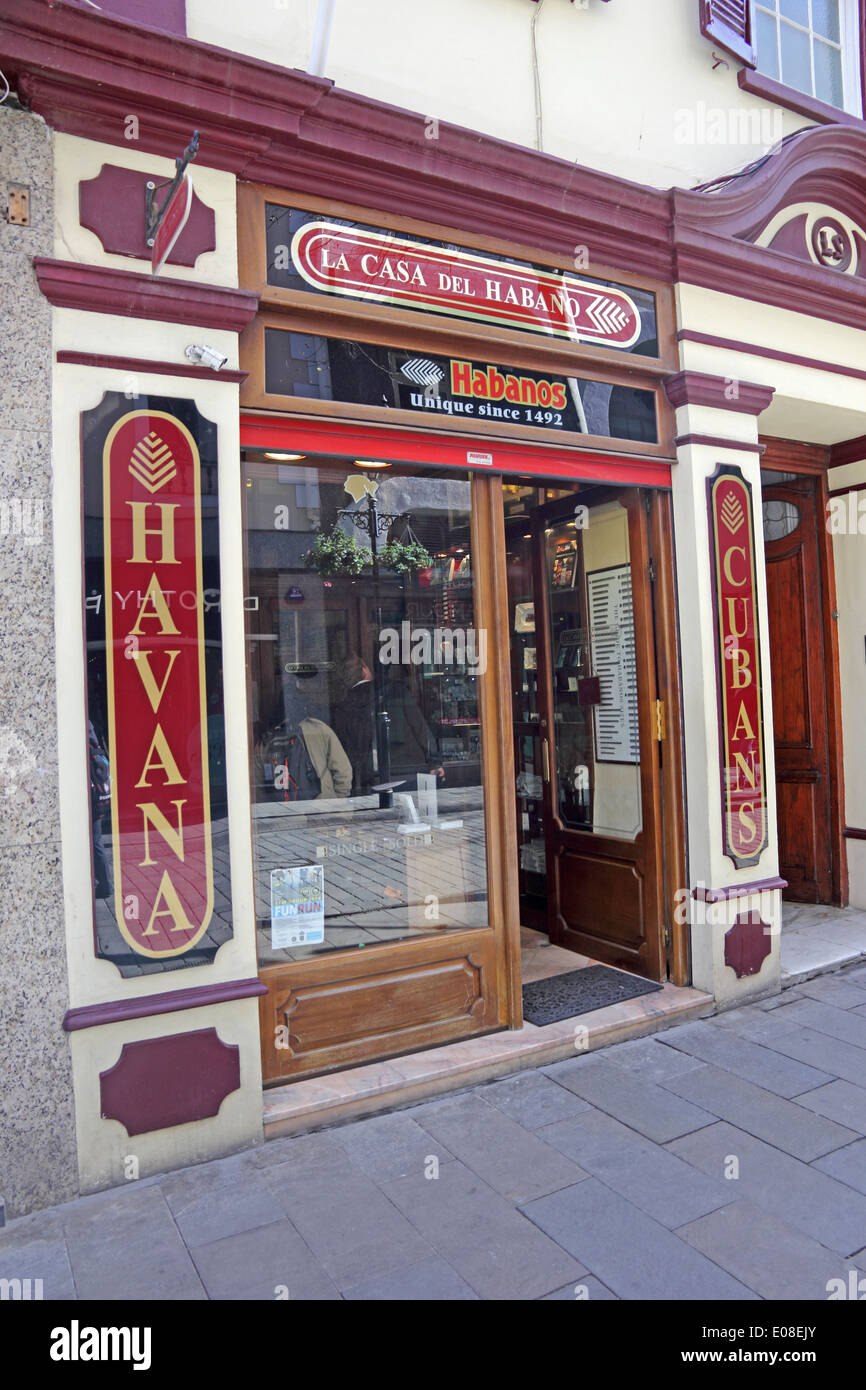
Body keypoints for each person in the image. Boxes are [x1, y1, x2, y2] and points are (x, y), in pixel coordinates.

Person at [256, 672, 352, 801]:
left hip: (283, 810)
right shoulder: (319, 730)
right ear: (304, 706)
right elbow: (342, 769)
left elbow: (257, 780)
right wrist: (338, 800)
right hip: (321, 806)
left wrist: (267, 808)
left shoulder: (267, 740)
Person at [381, 665, 445, 788]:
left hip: (389, 768)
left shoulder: (381, 694)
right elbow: (419, 727)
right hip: (409, 766)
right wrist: (435, 761)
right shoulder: (397, 692)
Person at [333, 654, 376, 795]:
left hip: (357, 776)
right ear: (364, 670)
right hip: (395, 769)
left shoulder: (341, 708)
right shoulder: (384, 694)